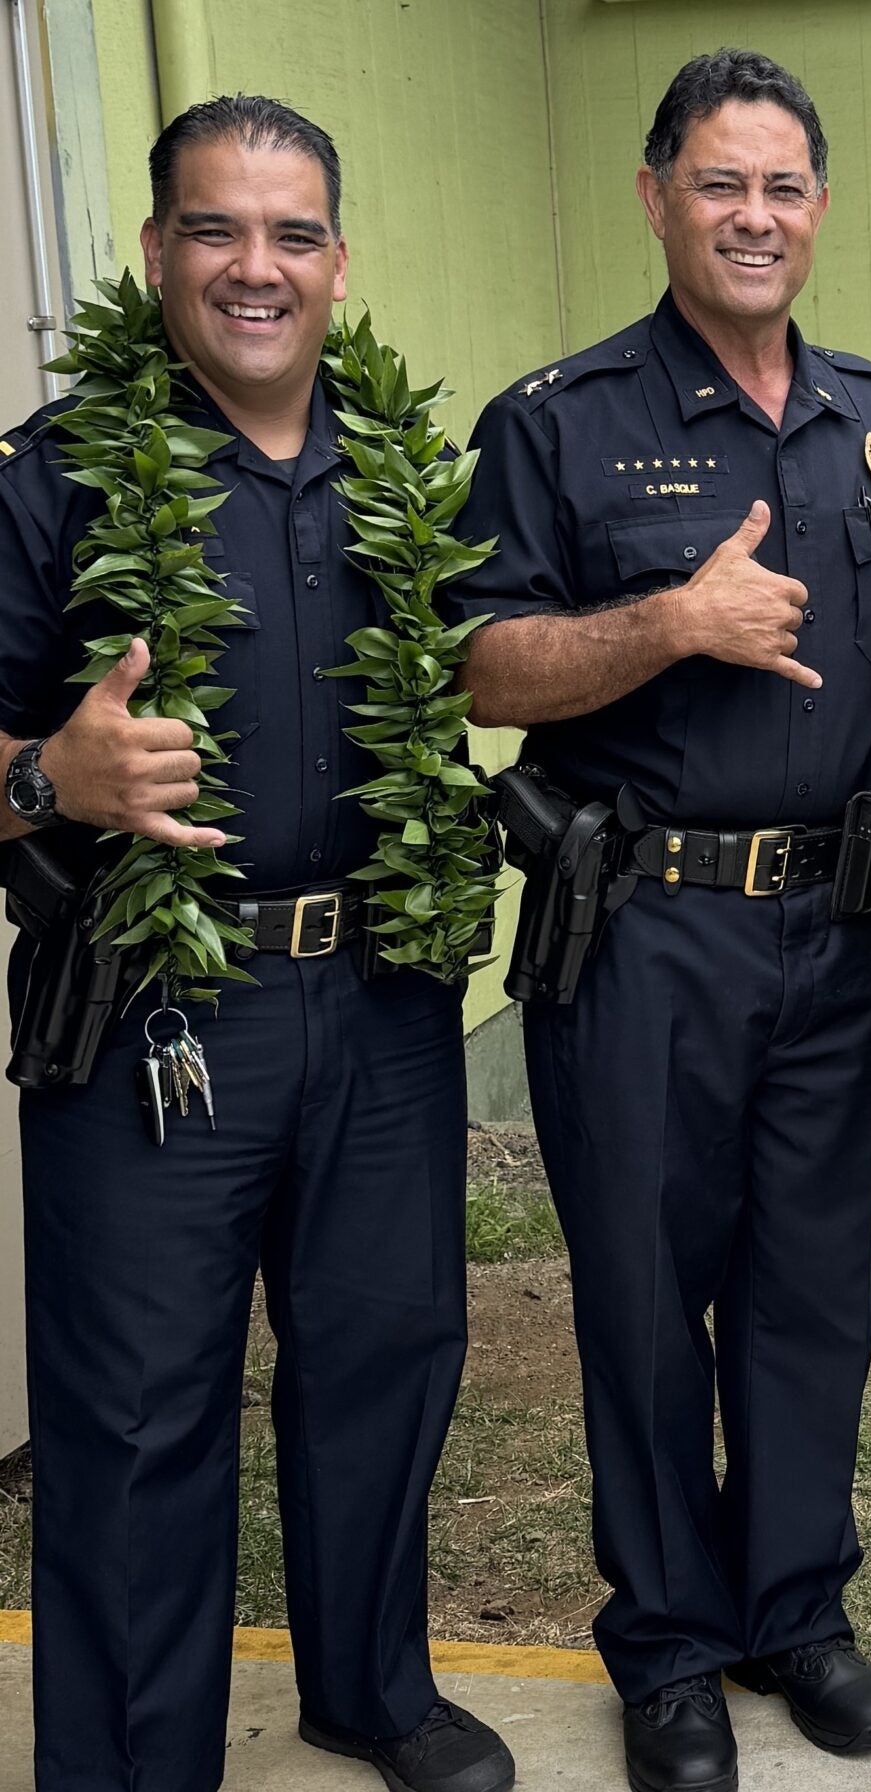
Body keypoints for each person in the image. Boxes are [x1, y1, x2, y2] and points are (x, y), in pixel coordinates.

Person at [0, 98, 513, 1792]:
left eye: (293, 235)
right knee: (140, 1418)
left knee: (384, 1357)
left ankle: (371, 1688)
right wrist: (43, 775)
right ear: (156, 254)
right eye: (217, 230)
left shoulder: (398, 480)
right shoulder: (59, 478)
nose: (256, 267)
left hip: (376, 998)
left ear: (338, 262)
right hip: (158, 1003)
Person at [450, 47, 871, 1792]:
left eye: (783, 186)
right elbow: (485, 658)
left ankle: (795, 1610)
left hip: (830, 923)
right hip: (647, 933)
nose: (754, 215)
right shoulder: (562, 419)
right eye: (719, 184)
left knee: (815, 1289)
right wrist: (671, 621)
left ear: (819, 206)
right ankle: (665, 1640)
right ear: (657, 195)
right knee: (652, 1297)